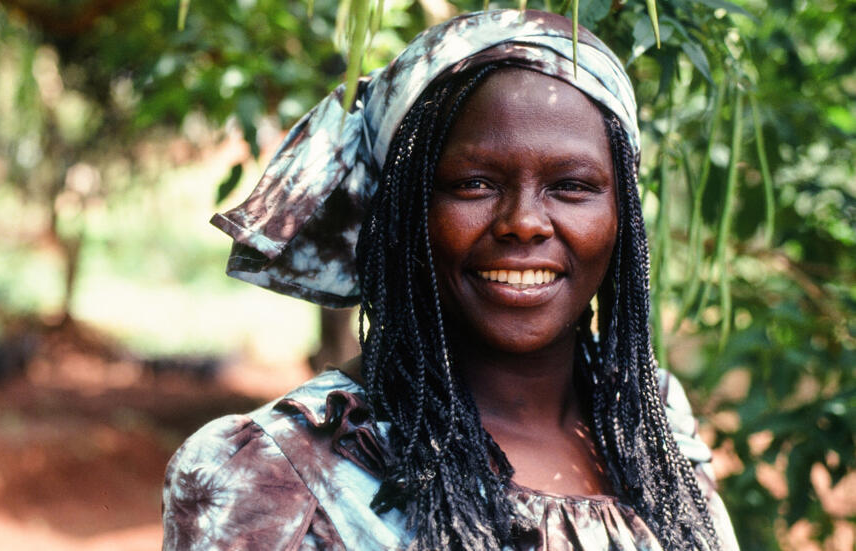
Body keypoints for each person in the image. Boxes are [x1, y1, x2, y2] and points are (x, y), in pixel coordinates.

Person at [163, 9, 739, 551]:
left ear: (623, 217)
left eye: (572, 186)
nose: (524, 223)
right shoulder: (274, 472)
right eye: (474, 184)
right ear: (404, 213)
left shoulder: (652, 425)